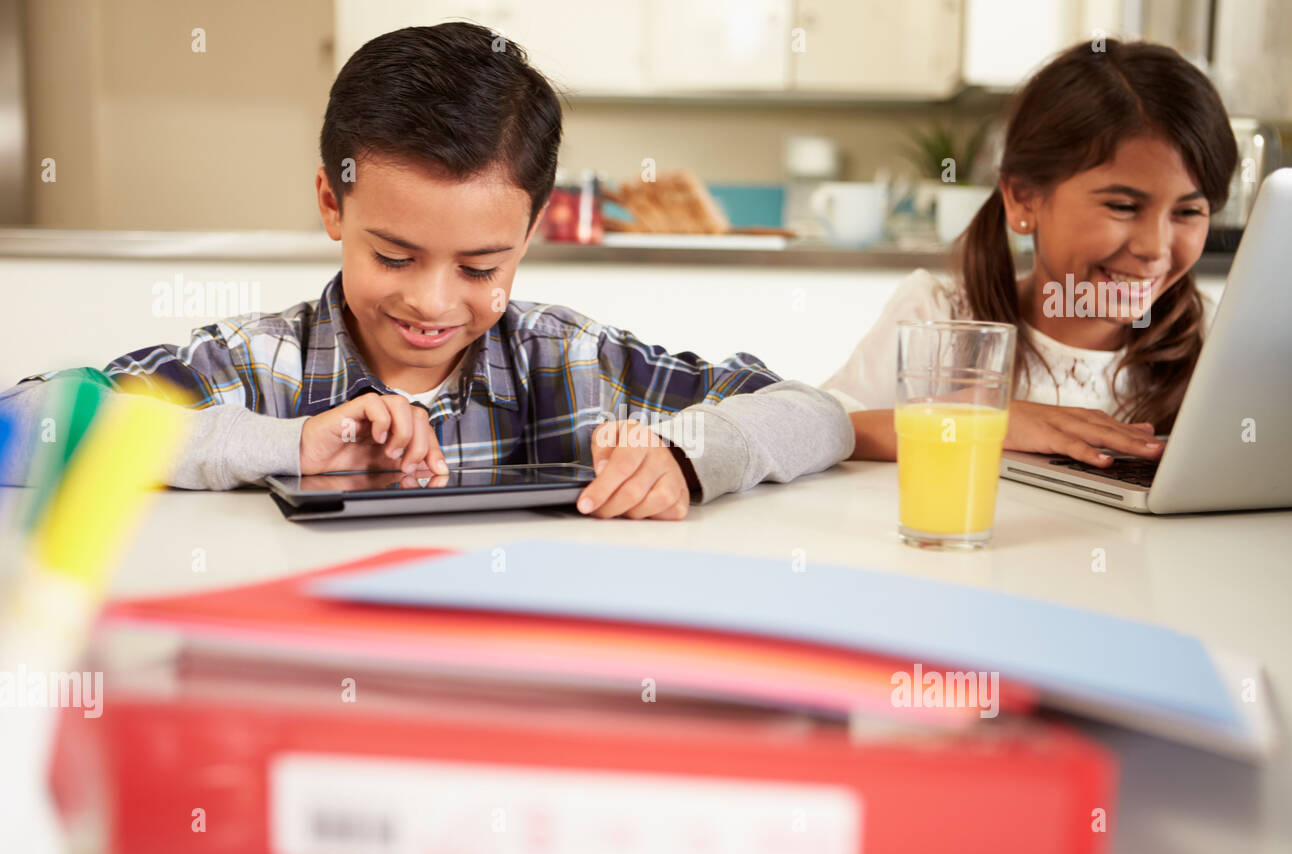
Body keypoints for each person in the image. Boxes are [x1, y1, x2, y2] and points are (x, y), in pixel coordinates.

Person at [0, 22, 851, 520]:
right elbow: (21, 424)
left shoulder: (573, 362)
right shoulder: (258, 366)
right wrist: (283, 445)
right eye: (394, 255)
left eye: (481, 265)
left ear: (532, 231)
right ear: (333, 206)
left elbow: (818, 415)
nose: (433, 301)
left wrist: (695, 454)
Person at [823, 39, 1236, 468]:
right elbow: (818, 429)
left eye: (1188, 211)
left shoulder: (1214, 339)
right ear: (1024, 199)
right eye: (1123, 206)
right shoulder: (939, 317)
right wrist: (982, 419)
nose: (1154, 247)